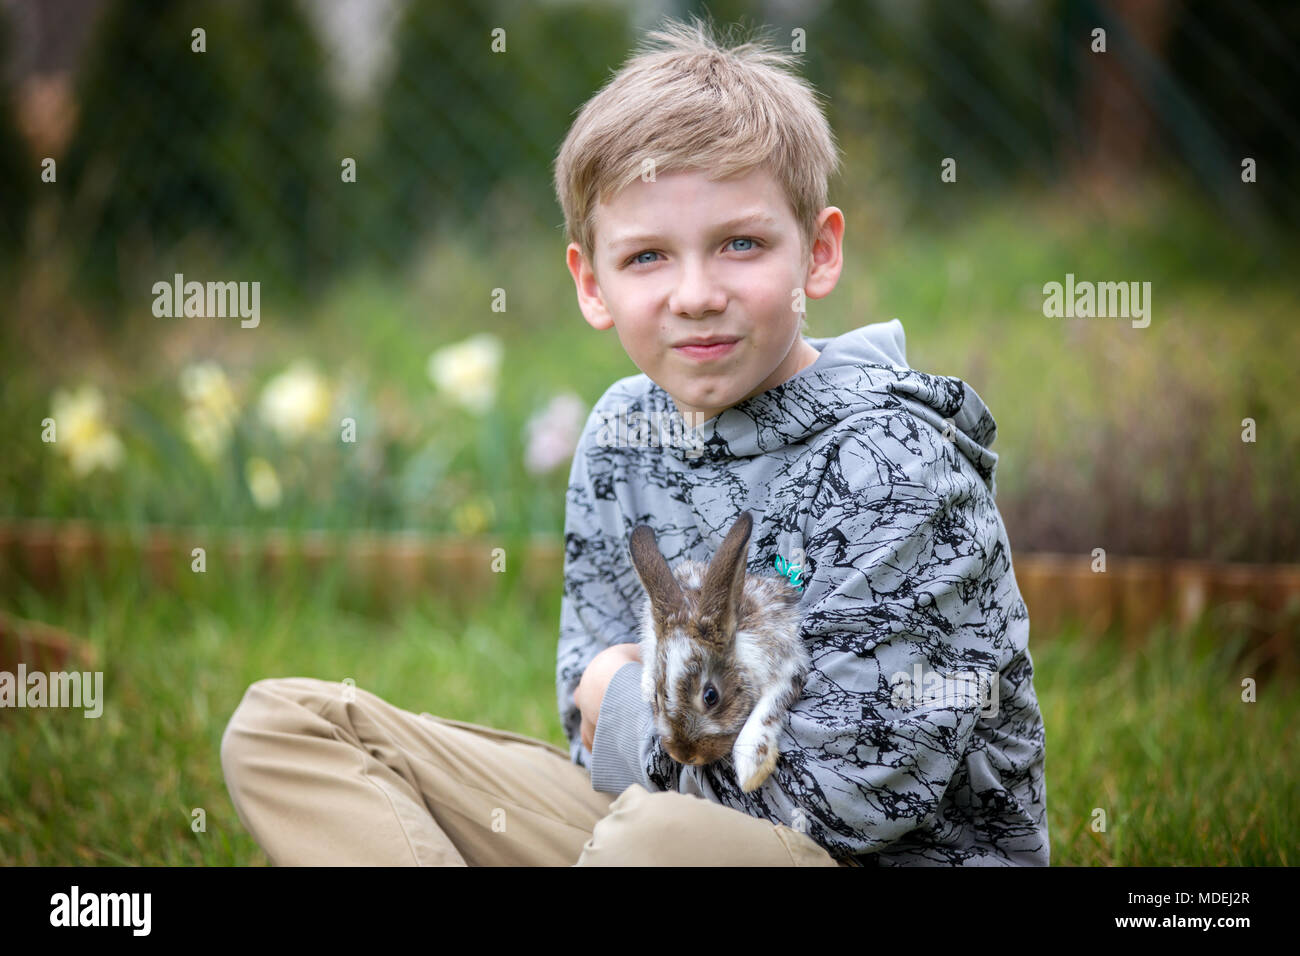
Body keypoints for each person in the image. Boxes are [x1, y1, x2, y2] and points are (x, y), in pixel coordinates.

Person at [220, 14, 1048, 867]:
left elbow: (846, 803)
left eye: (741, 244)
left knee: (647, 840)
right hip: (651, 822)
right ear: (592, 282)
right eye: (648, 256)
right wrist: (625, 717)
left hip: (837, 856)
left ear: (819, 254)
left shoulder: (895, 465)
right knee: (289, 729)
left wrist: (625, 705)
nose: (695, 294)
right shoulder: (623, 432)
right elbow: (585, 724)